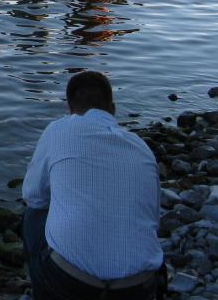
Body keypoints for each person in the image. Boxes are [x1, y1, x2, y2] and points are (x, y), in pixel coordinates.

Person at [22, 71, 163, 300]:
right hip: (139, 286)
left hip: (73, 284)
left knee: (34, 215)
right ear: (113, 108)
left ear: (70, 109)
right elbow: (153, 220)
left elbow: (33, 197)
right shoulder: (140, 147)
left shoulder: (58, 130)